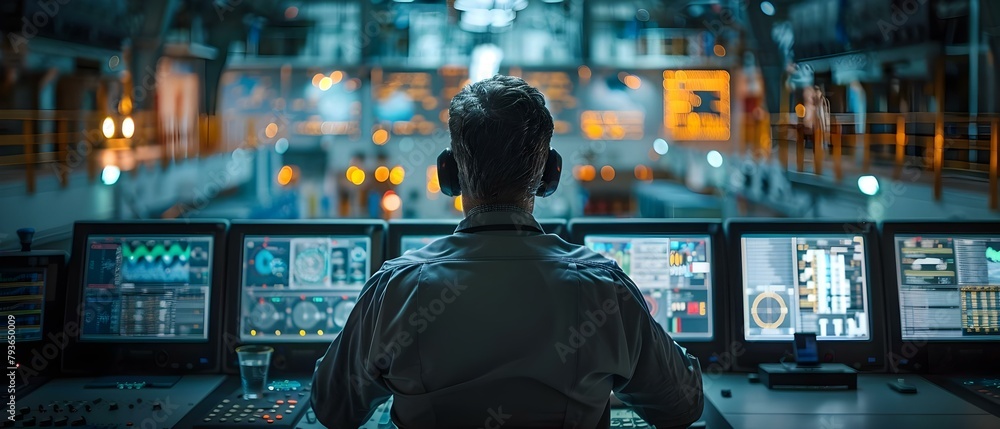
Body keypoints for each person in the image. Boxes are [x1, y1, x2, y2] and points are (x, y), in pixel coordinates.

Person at [311, 75, 704, 428]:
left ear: (448, 174)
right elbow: (682, 406)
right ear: (550, 175)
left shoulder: (396, 288)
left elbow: (333, 408)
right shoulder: (603, 288)